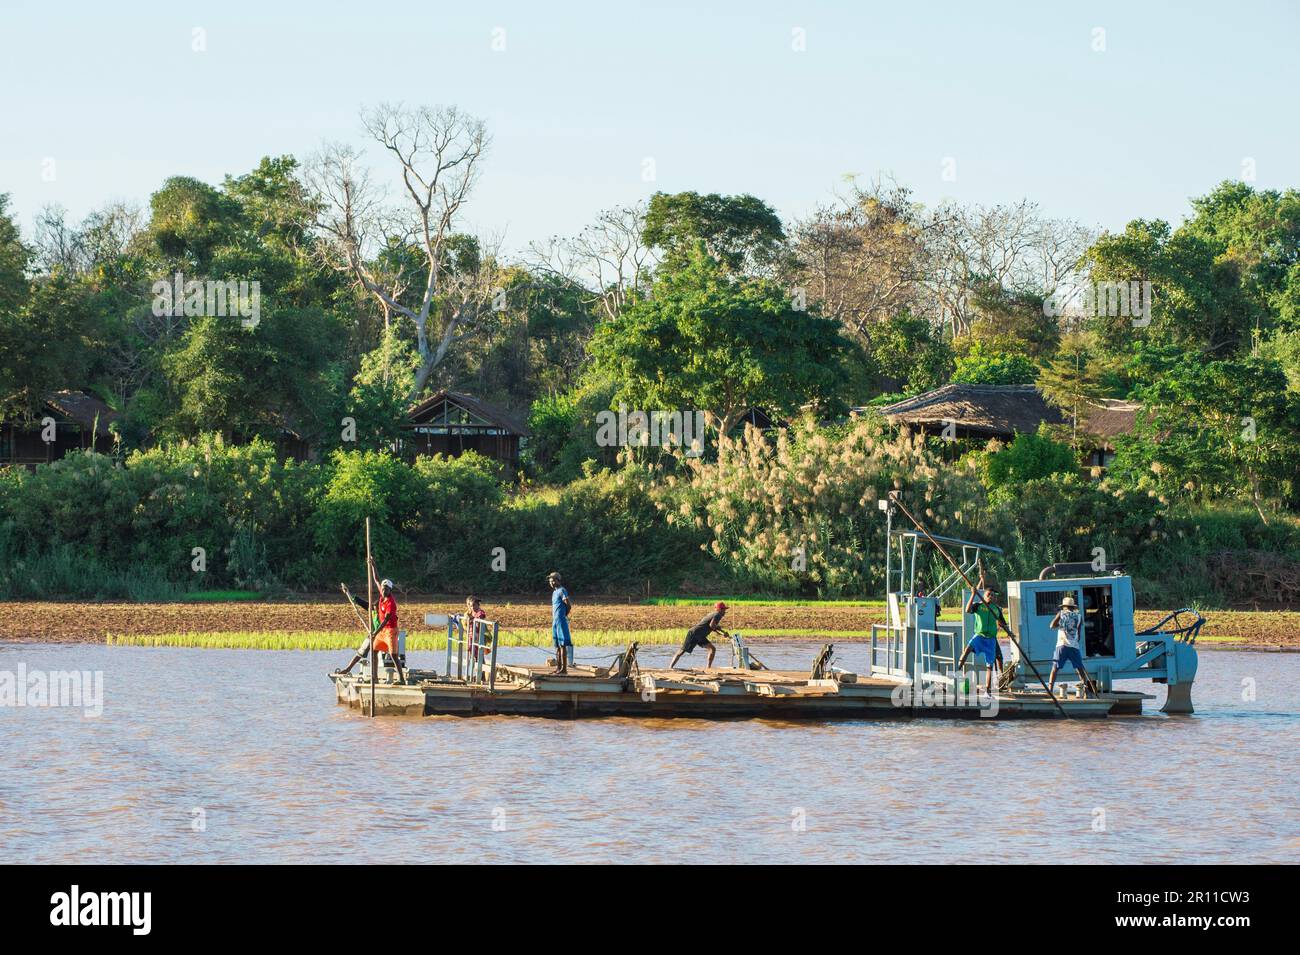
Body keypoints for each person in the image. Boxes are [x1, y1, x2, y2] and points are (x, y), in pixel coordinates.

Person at [335, 563, 404, 685]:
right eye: (382, 589)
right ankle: (372, 677)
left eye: (386, 589)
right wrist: (372, 564)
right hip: (375, 634)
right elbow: (375, 581)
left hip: (385, 632)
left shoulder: (390, 604)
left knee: (393, 655)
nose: (383, 590)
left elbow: (386, 620)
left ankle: (401, 679)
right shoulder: (376, 605)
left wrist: (374, 633)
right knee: (367, 651)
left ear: (390, 590)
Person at [957, 572, 1002, 693]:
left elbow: (1002, 623)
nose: (991, 597)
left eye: (993, 595)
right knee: (966, 650)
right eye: (989, 595)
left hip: (991, 639)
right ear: (985, 596)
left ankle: (988, 690)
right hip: (979, 636)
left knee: (989, 665)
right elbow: (967, 609)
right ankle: (957, 671)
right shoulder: (979, 606)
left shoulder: (996, 609)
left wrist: (1008, 632)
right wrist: (973, 595)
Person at [1048, 594, 1097, 698]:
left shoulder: (1061, 614)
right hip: (1074, 646)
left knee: (1055, 668)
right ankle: (1086, 691)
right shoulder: (1079, 616)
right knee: (1079, 668)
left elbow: (1051, 626)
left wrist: (1060, 625)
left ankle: (1050, 690)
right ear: (1073, 607)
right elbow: (1078, 635)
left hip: (1061, 645)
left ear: (1064, 606)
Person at [669, 601, 728, 670]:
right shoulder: (717, 614)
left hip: (701, 636)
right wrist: (722, 634)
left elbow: (714, 626)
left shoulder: (715, 614)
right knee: (682, 651)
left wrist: (723, 632)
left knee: (712, 649)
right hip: (694, 633)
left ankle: (708, 668)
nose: (724, 611)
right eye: (723, 609)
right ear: (719, 609)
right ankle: (670, 667)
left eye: (725, 609)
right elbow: (712, 625)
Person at [548, 572, 572, 674]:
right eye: (550, 581)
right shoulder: (554, 592)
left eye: (553, 580)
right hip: (555, 622)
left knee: (563, 645)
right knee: (557, 645)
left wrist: (564, 615)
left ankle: (564, 669)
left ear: (558, 580)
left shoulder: (562, 590)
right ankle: (558, 668)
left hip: (561, 621)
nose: (552, 582)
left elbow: (568, 605)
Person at [464, 595, 488, 662]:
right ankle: (476, 666)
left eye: (474, 605)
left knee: (479, 652)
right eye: (471, 606)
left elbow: (481, 616)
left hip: (478, 635)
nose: (473, 607)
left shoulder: (480, 612)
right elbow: (467, 620)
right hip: (471, 634)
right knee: (470, 649)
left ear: (478, 605)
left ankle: (482, 669)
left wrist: (474, 619)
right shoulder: (470, 612)